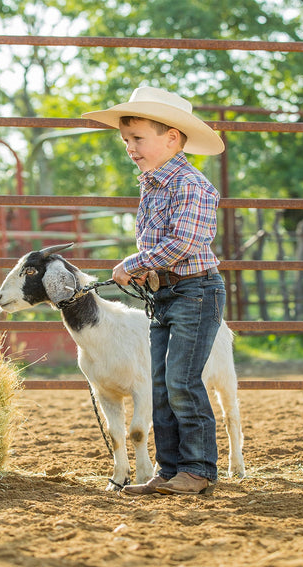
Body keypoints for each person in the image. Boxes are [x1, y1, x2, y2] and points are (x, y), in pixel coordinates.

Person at [82, 86, 226, 496]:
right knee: (159, 384)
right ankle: (170, 470)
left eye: (138, 139)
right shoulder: (151, 185)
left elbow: (183, 243)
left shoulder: (191, 185)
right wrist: (146, 270)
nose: (130, 147)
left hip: (196, 293)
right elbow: (156, 245)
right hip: (166, 295)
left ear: (172, 138)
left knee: (182, 380)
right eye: (126, 140)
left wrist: (134, 264)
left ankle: (197, 470)